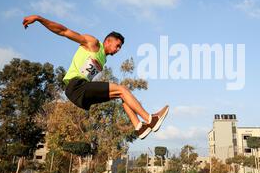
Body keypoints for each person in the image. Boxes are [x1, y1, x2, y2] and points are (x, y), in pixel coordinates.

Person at [22, 15, 169, 140]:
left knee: (122, 96)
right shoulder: (92, 43)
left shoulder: (103, 59)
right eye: (117, 46)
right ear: (107, 41)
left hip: (78, 91)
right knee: (122, 90)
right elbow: (64, 31)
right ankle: (151, 119)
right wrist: (39, 19)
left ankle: (139, 127)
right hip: (76, 86)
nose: (118, 50)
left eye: (120, 48)